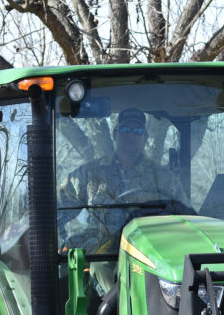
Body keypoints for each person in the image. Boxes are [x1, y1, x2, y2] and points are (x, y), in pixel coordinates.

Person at [59, 107, 190, 252]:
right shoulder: (90, 174)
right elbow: (57, 208)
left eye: (137, 131)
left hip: (150, 251)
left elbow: (186, 218)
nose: (131, 135)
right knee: (100, 268)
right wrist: (58, 238)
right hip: (102, 253)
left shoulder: (164, 178)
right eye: (125, 130)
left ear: (145, 137)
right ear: (115, 134)